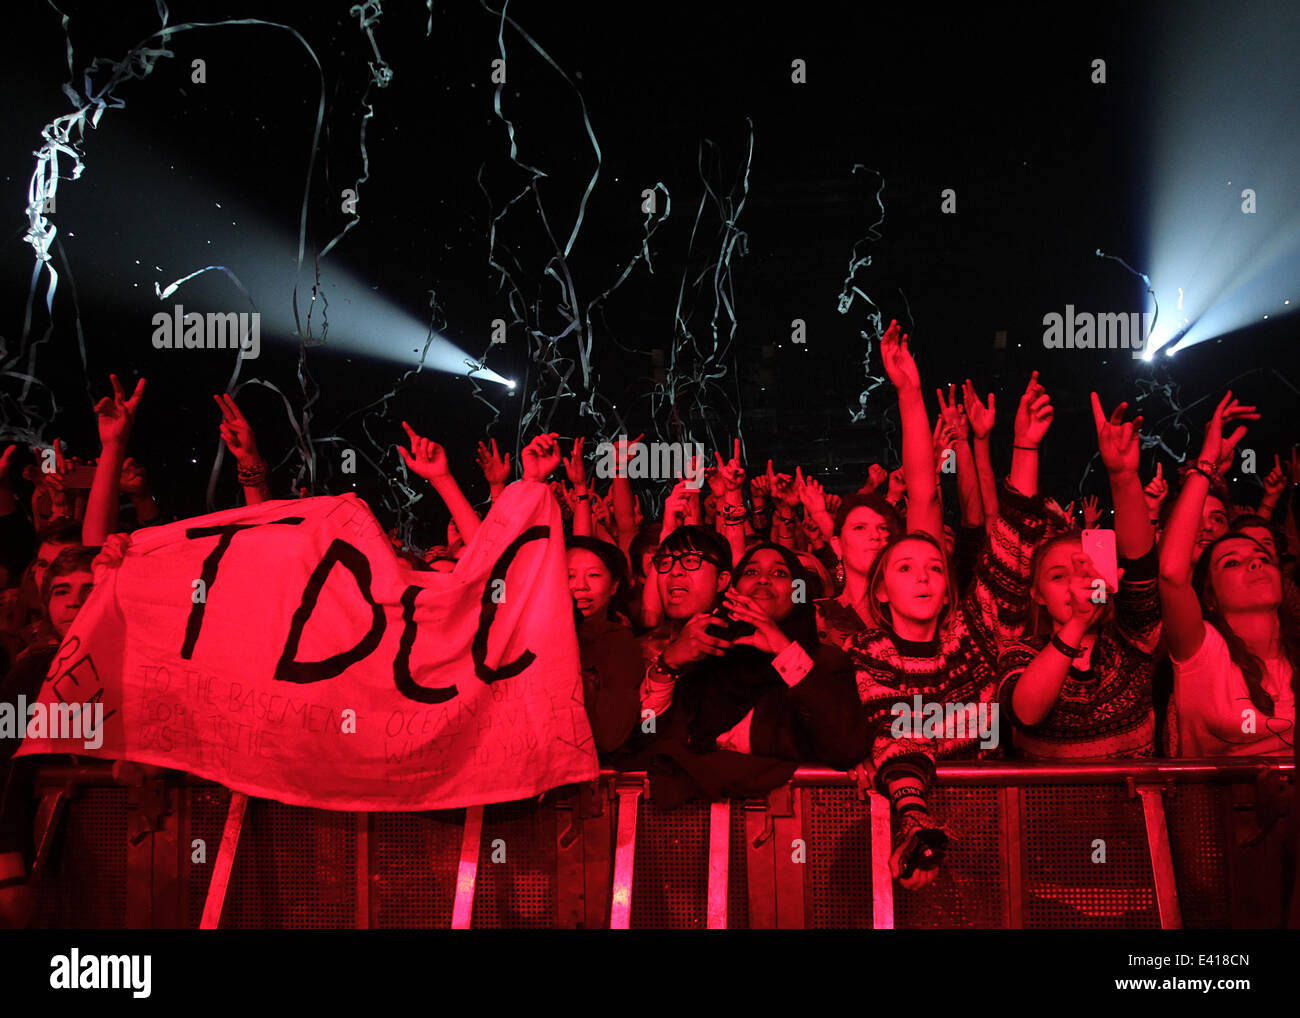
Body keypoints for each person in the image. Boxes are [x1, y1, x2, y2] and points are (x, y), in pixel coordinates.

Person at [639, 541, 870, 807]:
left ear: (798, 593)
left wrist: (785, 651)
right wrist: (666, 666)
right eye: (751, 572)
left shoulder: (823, 664)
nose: (763, 579)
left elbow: (845, 748)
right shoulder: (704, 656)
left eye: (779, 573)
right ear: (734, 591)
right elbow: (646, 735)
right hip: (691, 826)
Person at [996, 394, 1161, 758]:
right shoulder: (1019, 654)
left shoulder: (1130, 644)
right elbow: (1026, 713)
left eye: (1084, 569)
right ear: (1037, 594)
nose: (1075, 583)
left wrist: (1123, 476)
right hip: (1050, 799)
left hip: (1134, 797)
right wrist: (1077, 624)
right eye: (1058, 577)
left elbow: (1142, 566)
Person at [1159, 392, 1296, 756]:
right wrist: (1206, 464)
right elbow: (1171, 574)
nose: (1255, 563)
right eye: (1231, 562)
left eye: (1262, 555)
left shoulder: (1294, 653)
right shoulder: (1205, 651)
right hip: (1218, 796)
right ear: (1210, 594)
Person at [566, 536, 641, 758]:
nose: (581, 585)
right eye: (569, 576)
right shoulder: (534, 637)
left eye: (593, 575)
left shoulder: (618, 642)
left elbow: (609, 736)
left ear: (614, 585)